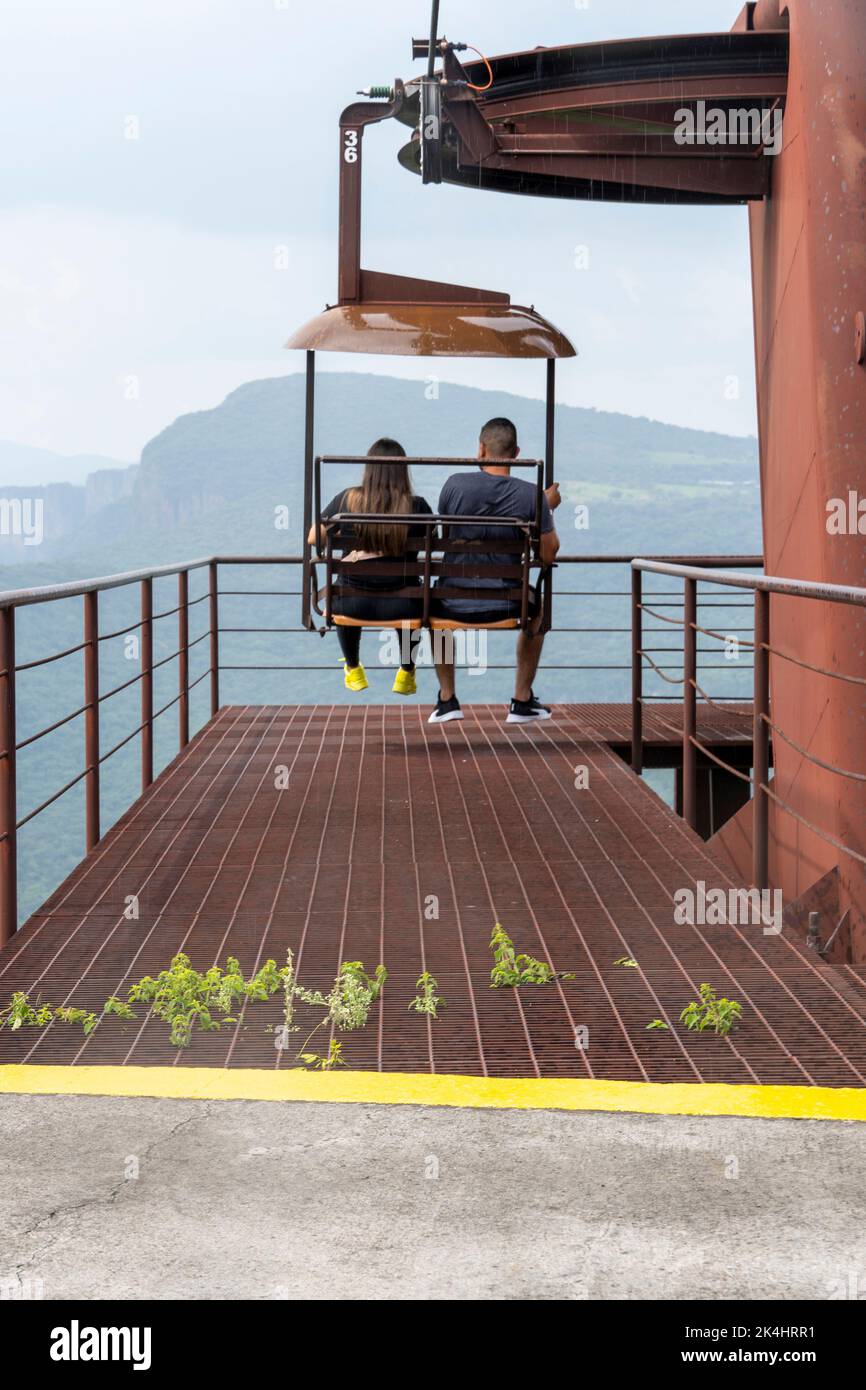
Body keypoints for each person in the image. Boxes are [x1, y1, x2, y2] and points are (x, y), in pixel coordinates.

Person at [428, 417, 561, 724]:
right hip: (508, 601)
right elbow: (549, 552)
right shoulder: (531, 495)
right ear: (516, 453)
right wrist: (545, 506)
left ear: (480, 449)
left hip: (451, 599)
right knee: (538, 611)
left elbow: (447, 537)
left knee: (433, 610)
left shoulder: (453, 485)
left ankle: (448, 700)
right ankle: (522, 701)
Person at [309, 439, 433, 694]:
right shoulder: (416, 505)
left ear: (368, 469)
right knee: (411, 592)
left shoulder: (347, 500)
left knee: (344, 589)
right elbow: (436, 538)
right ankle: (406, 672)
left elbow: (313, 538)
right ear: (403, 471)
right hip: (404, 604)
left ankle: (353, 669)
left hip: (351, 603)